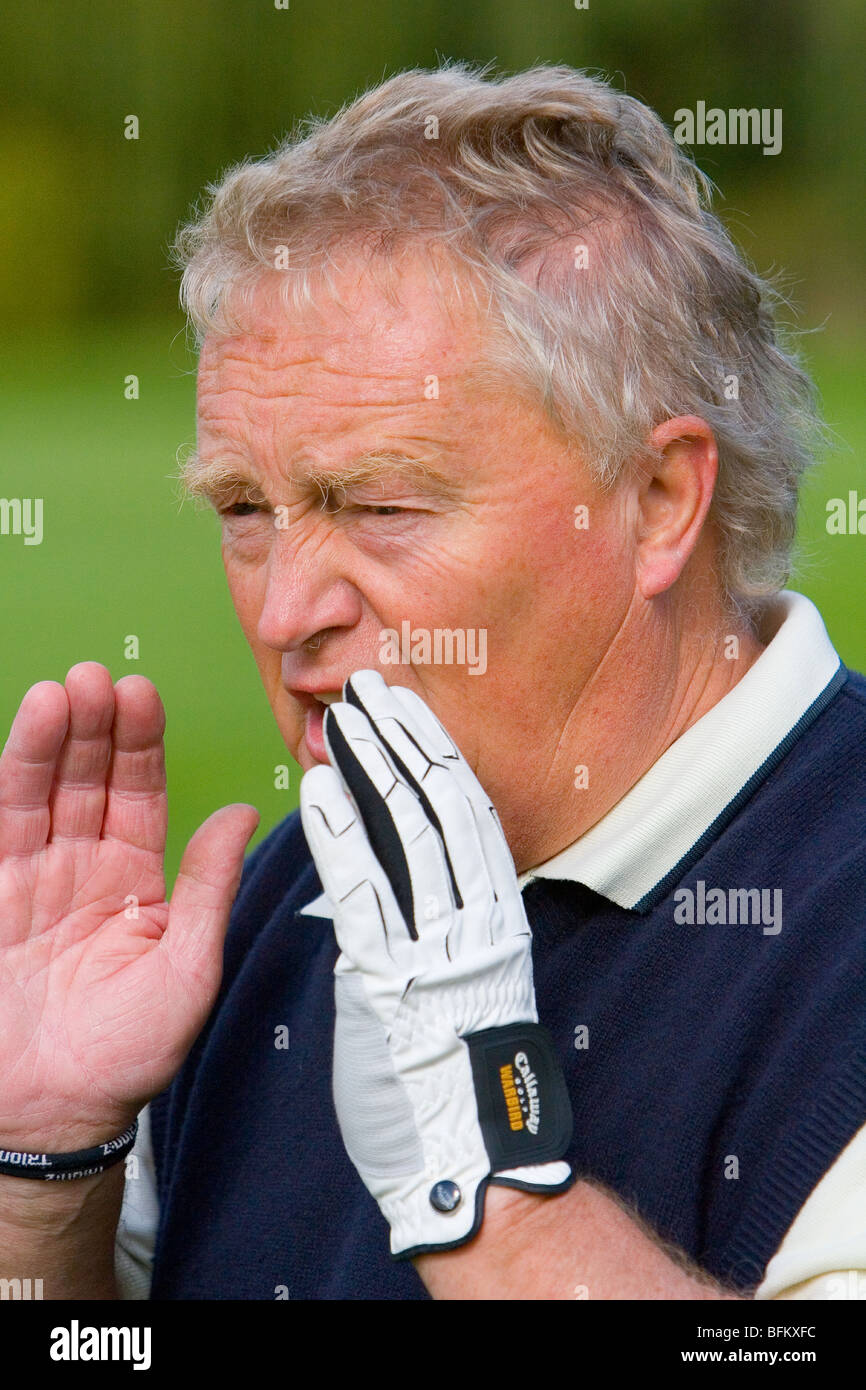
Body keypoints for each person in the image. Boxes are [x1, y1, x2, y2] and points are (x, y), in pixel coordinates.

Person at [2, 62, 864, 1302]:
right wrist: (43, 1167)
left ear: (659, 497)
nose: (286, 609)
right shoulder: (291, 898)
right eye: (245, 507)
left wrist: (485, 1185)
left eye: (380, 503)